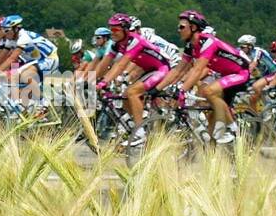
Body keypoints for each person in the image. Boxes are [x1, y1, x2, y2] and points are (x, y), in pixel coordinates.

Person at [157, 9, 251, 144]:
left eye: (182, 26)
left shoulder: (207, 42)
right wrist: (157, 89)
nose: (179, 29)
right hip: (225, 75)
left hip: (240, 73)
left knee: (208, 91)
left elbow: (198, 69)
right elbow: (178, 70)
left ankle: (231, 129)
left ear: (193, 27)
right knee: (210, 115)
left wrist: (182, 90)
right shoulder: (191, 46)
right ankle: (211, 149)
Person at [98, 13, 173, 148]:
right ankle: (141, 123)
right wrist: (92, 79)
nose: (112, 33)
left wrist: (103, 82)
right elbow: (105, 62)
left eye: (115, 30)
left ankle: (140, 133)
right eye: (110, 29)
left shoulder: (134, 40)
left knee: (132, 92)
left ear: (126, 29)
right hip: (148, 69)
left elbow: (120, 65)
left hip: (161, 68)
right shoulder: (117, 44)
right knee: (125, 95)